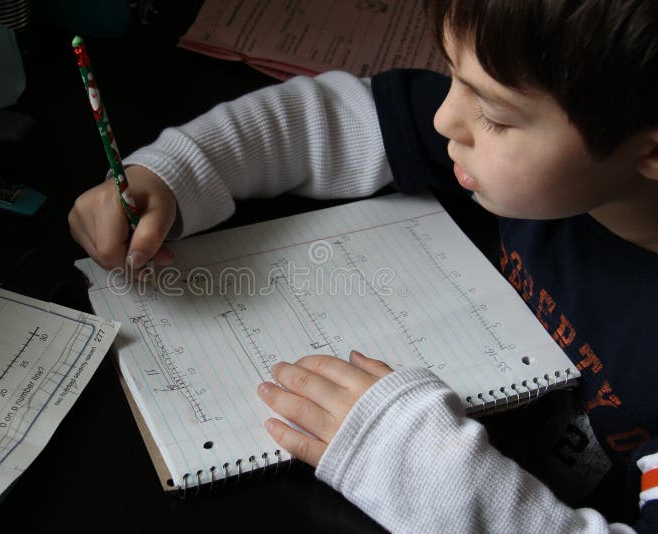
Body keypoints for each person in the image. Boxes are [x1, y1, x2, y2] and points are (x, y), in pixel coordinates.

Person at [68, 0, 658, 531]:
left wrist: (418, 467)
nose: (444, 119)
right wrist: (177, 173)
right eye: (454, 76)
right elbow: (338, 118)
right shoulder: (557, 168)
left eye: (496, 116)